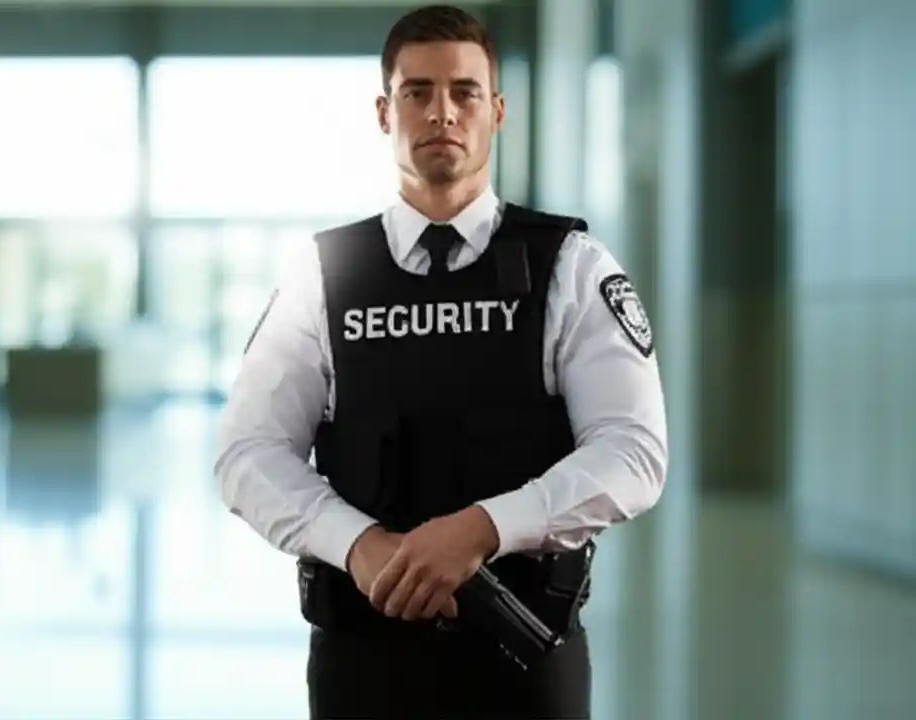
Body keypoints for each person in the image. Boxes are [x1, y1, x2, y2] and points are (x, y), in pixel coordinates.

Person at [214, 4, 668, 718]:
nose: (442, 112)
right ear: (383, 111)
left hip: (522, 656)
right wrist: (359, 544)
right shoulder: (324, 275)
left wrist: (484, 528)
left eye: (463, 92)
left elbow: (634, 452)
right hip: (364, 653)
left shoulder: (570, 268)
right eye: (417, 92)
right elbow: (247, 453)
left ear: (497, 110)